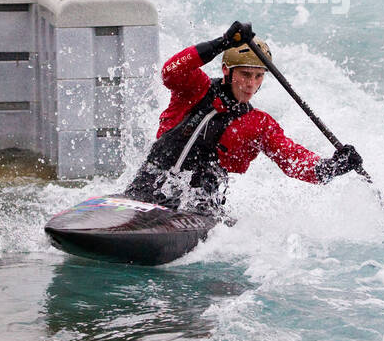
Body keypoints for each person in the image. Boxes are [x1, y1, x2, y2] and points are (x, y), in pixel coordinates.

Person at [123, 21, 364, 217]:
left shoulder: (258, 124)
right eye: (246, 74)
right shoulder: (195, 89)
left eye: (259, 76)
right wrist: (222, 43)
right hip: (147, 188)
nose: (251, 84)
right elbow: (171, 70)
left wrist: (334, 167)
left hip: (198, 209)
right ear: (227, 70)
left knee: (204, 198)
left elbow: (293, 161)